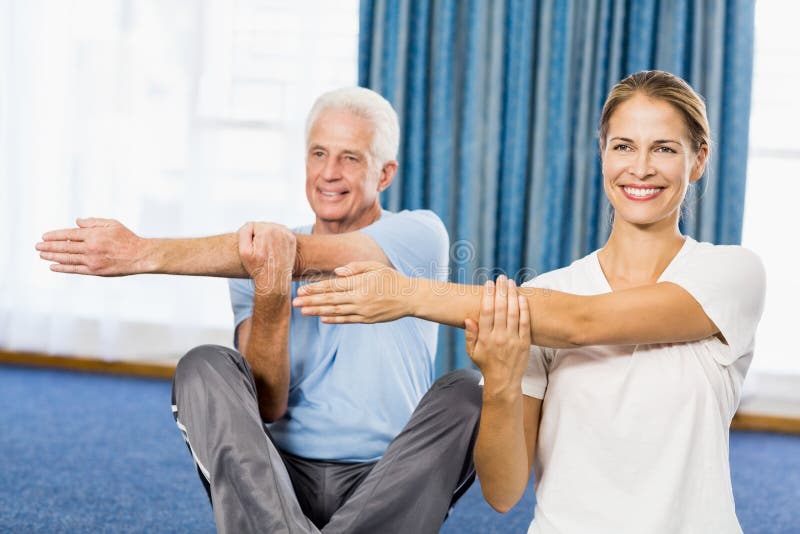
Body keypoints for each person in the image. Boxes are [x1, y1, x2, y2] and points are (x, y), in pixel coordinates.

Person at [292, 71, 766, 533]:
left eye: (663, 148)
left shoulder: (729, 274)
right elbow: (503, 493)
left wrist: (407, 293)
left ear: (698, 159)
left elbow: (582, 321)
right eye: (624, 146)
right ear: (603, 154)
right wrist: (499, 380)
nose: (640, 167)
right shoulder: (548, 292)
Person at [35, 87, 482, 533]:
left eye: (350, 158)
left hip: (388, 484)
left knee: (469, 392)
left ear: (384, 175)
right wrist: (271, 294)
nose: (329, 172)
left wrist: (141, 253)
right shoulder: (251, 260)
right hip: (276, 485)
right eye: (318, 153)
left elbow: (306, 253)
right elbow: (268, 405)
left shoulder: (419, 235)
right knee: (204, 365)